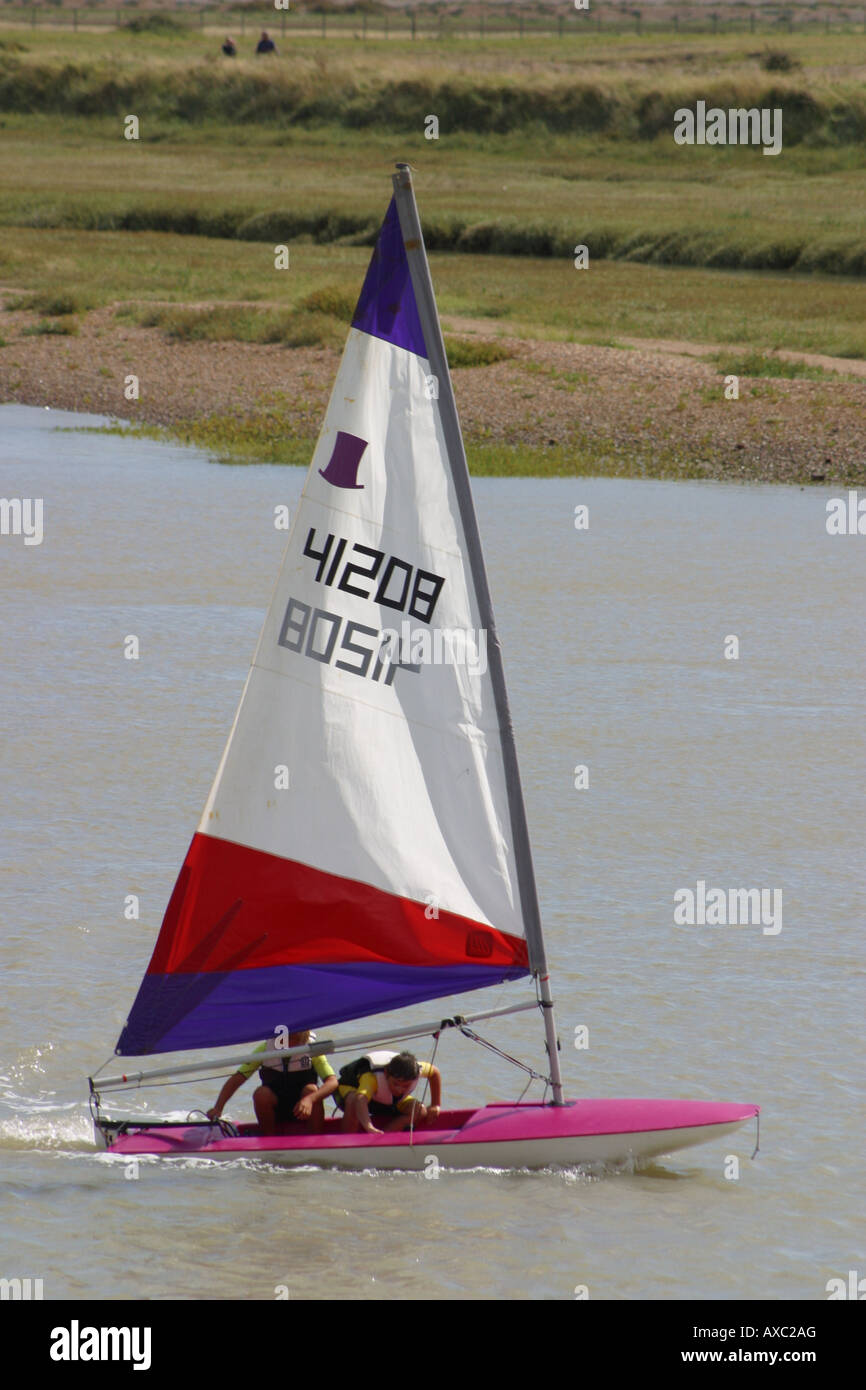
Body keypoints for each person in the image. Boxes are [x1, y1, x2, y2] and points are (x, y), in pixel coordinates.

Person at [207, 1031, 337, 1135]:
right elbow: (237, 1079)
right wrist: (218, 1107)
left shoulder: (312, 1049)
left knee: (311, 1090)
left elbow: (332, 1082)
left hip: (304, 1109)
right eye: (286, 1037)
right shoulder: (265, 1049)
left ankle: (315, 1139)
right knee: (261, 1093)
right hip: (276, 1109)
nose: (290, 1041)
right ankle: (269, 1138)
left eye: (294, 1036)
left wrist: (310, 1099)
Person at [337, 1050, 441, 1135]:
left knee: (419, 1111)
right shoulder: (371, 1077)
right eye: (395, 1084)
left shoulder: (417, 1070)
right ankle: (346, 1141)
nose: (399, 1090)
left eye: (406, 1086)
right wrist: (369, 1126)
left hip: (383, 1098)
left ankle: (383, 1136)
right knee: (352, 1101)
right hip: (351, 1089)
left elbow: (434, 1072)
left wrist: (435, 1104)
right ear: (386, 1074)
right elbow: (360, 1100)